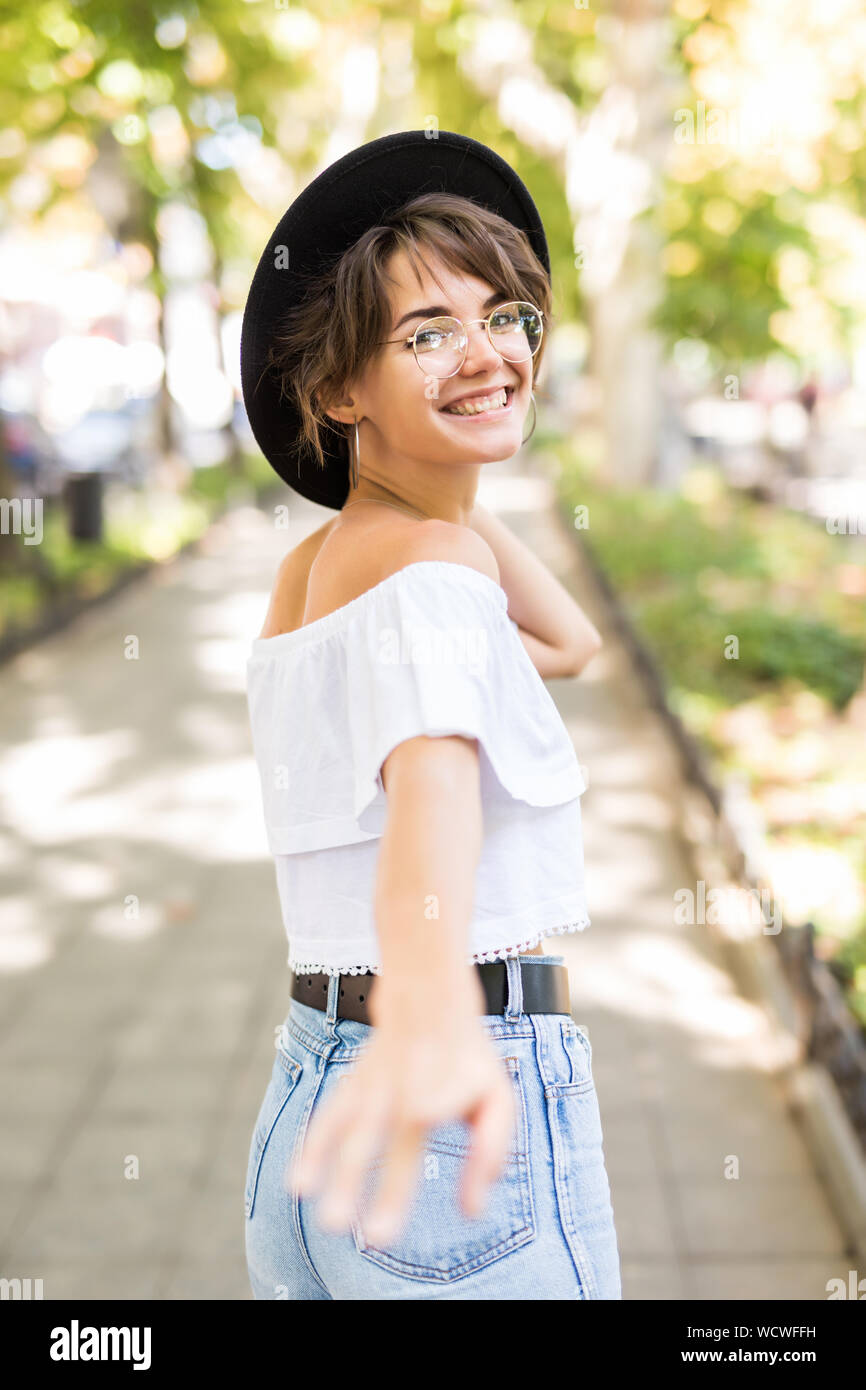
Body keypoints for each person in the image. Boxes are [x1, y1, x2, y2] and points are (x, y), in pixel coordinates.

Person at [240, 129, 622, 1300]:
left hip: (310, 1092)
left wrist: (442, 476)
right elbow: (433, 783)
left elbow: (570, 642)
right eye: (428, 333)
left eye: (508, 318)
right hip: (453, 1093)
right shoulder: (433, 567)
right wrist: (430, 1008)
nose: (489, 352)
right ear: (337, 388)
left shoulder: (322, 566)